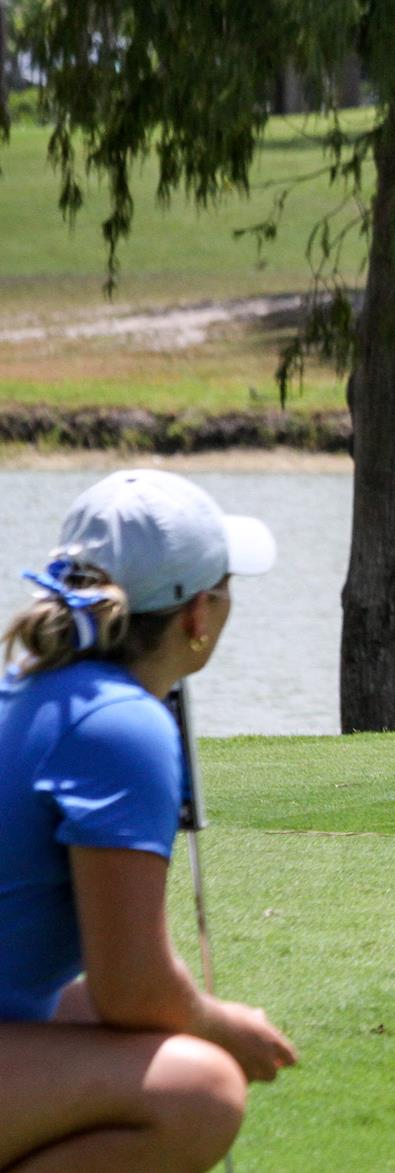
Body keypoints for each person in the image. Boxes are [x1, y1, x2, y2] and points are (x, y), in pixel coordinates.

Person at [0, 469, 296, 1170]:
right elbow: (130, 987)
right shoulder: (122, 726)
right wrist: (225, 1024)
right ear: (198, 615)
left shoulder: (26, 685)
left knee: (84, 1012)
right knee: (201, 1086)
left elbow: (109, 992)